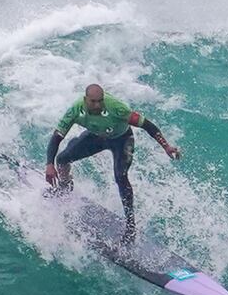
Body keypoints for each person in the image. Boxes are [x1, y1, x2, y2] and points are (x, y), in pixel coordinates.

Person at [45, 83, 181, 241]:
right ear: (85, 99)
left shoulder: (116, 108)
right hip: (97, 137)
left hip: (122, 140)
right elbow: (56, 137)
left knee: (120, 177)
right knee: (61, 159)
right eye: (93, 101)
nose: (97, 105)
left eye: (100, 101)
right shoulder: (76, 110)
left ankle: (131, 227)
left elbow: (147, 125)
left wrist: (167, 147)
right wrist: (49, 164)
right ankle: (65, 187)